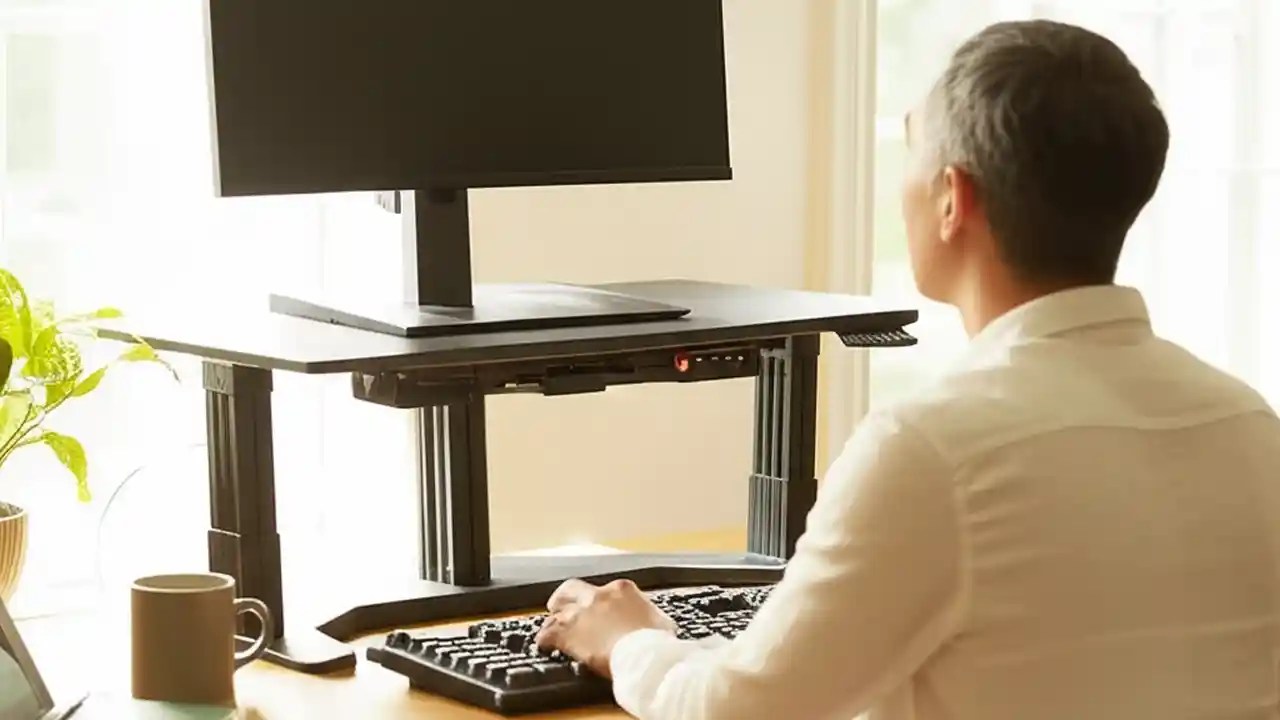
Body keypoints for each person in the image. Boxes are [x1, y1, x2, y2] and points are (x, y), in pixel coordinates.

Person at [534, 18, 1280, 720]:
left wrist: (628, 638)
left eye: (909, 155)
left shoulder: (934, 449)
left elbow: (740, 710)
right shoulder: (1249, 424)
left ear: (953, 198)